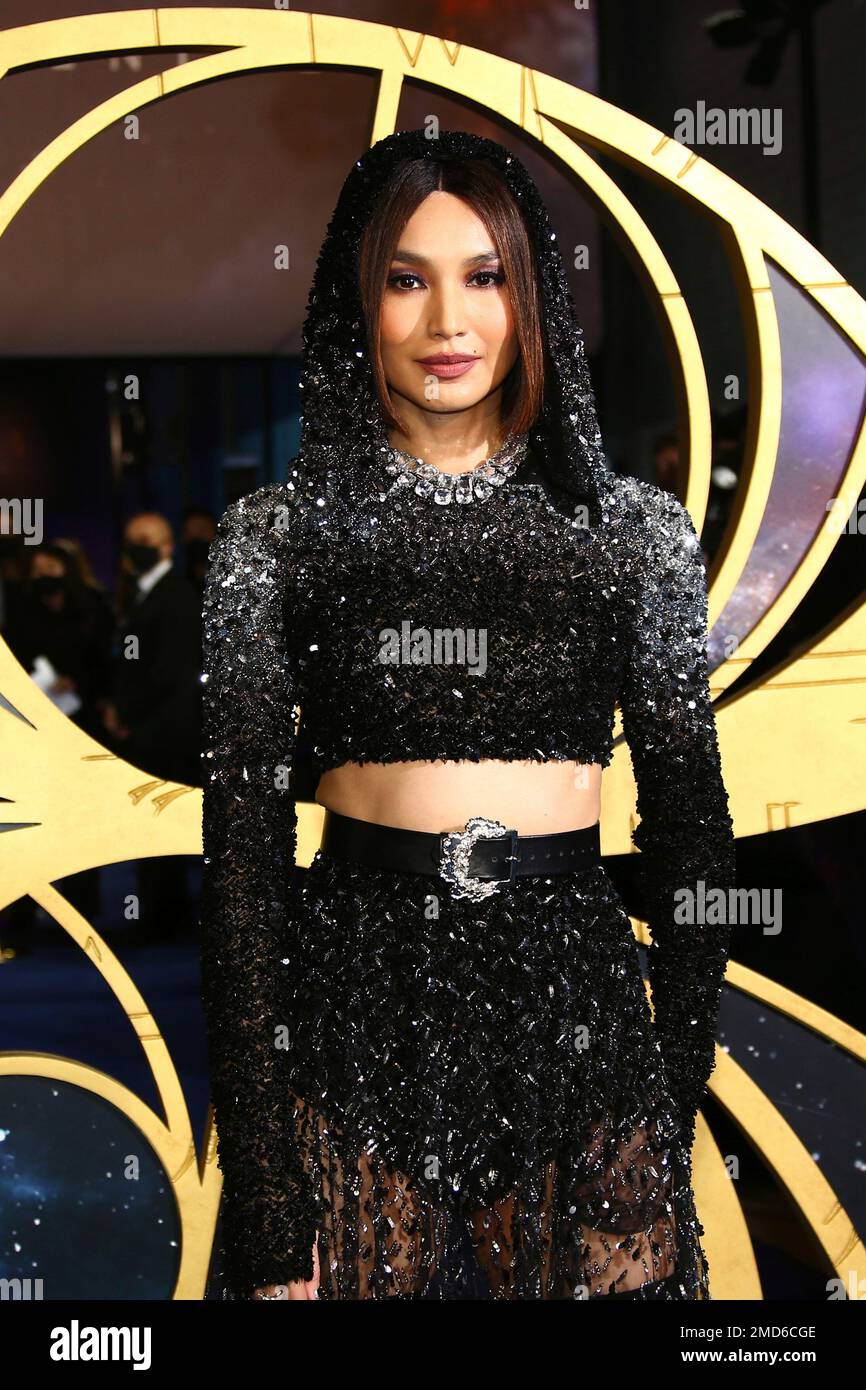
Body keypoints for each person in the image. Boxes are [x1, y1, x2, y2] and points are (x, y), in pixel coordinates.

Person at [199, 129, 735, 1302]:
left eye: (483, 277)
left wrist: (669, 1082)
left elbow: (692, 832)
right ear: (358, 300)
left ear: (528, 294)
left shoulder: (627, 533)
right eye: (405, 278)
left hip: (579, 1019)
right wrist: (270, 1200)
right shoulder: (274, 540)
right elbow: (240, 876)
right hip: (352, 1014)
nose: (447, 321)